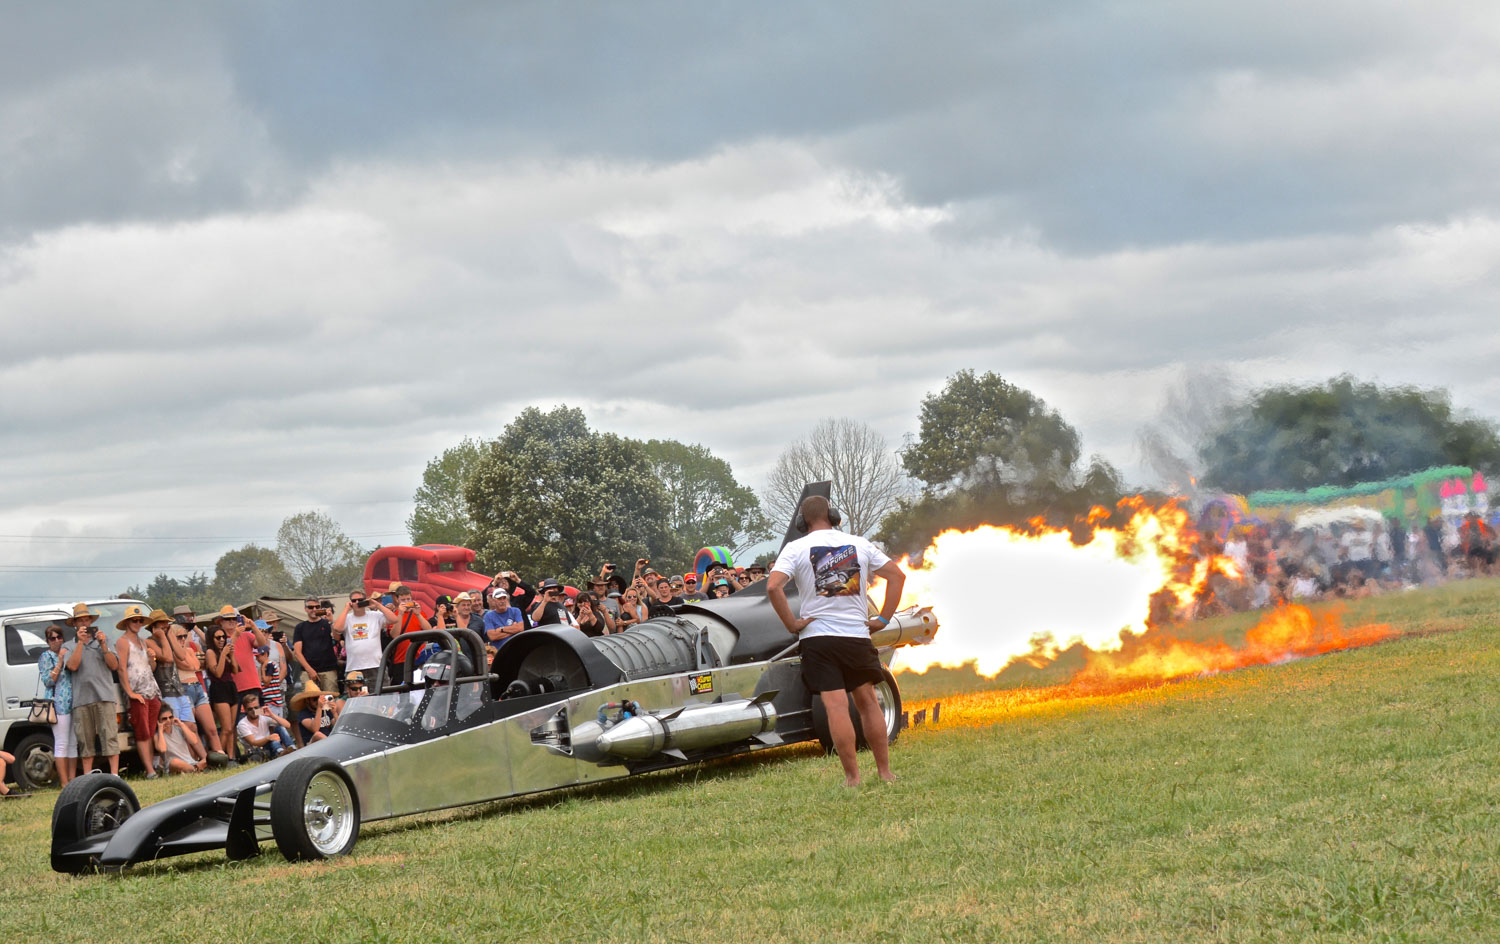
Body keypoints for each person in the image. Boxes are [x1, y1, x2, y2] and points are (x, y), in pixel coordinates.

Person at [767, 495, 905, 787]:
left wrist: (792, 624)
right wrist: (882, 619)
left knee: (836, 706)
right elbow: (897, 576)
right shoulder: (859, 544)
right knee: (868, 702)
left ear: (802, 522)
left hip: (818, 638)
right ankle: (884, 772)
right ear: (833, 515)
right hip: (856, 635)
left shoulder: (796, 547)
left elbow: (773, 586)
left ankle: (852, 778)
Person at [64, 603, 121, 776]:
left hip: (104, 695)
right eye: (80, 620)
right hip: (81, 699)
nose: (84, 623)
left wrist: (103, 645)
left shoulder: (105, 639)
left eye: (86, 619)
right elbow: (72, 666)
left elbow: (114, 665)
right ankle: (88, 777)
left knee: (109, 737)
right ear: (74, 623)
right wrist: (80, 643)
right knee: (85, 742)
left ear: (91, 621)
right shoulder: (69, 645)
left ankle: (115, 775)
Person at [115, 604, 163, 778]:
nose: (137, 623)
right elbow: (121, 668)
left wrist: (151, 658)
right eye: (134, 620)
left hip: (151, 690)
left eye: (140, 620)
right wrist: (130, 693)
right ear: (127, 622)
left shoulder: (142, 641)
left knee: (149, 732)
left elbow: (152, 667)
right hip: (138, 693)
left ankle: (151, 768)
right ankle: (149, 770)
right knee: (142, 733)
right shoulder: (122, 642)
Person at [37, 624, 76, 786]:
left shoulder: (68, 652)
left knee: (73, 743)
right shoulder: (46, 656)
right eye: (52, 638)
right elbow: (48, 681)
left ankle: (73, 780)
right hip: (58, 705)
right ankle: (64, 782)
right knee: (61, 743)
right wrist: (59, 661)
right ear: (47, 641)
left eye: (59, 637)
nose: (56, 641)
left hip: (73, 702)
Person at [334, 591, 397, 685]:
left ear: (365, 600)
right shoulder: (347, 618)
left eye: (360, 600)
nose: (357, 602)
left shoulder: (375, 615)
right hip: (354, 667)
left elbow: (394, 619)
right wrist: (347, 609)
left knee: (383, 695)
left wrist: (377, 605)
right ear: (350, 602)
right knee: (356, 698)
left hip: (376, 665)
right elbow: (337, 628)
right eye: (354, 600)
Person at [292, 596, 340, 696]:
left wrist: (331, 621)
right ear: (305, 609)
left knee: (331, 700)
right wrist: (310, 670)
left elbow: (337, 638)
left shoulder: (327, 624)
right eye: (311, 607)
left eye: (317, 607)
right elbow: (297, 652)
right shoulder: (300, 627)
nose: (314, 609)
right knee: (309, 700)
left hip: (328, 670)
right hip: (307, 671)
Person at [236, 693, 295, 759]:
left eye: (256, 708)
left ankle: (292, 747)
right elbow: (253, 742)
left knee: (280, 728)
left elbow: (287, 725)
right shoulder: (243, 724)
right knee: (273, 740)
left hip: (270, 744)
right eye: (250, 709)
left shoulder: (263, 716)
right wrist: (268, 738)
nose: (253, 711)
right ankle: (280, 752)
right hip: (257, 751)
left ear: (259, 707)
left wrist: (272, 715)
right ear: (245, 710)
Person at [152, 705, 208, 774]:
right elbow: (162, 749)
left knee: (214, 755)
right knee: (174, 762)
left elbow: (194, 741)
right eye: (164, 719)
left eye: (170, 717)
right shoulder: (157, 735)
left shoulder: (179, 728)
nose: (168, 720)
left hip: (190, 762)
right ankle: (197, 769)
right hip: (173, 766)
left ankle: (195, 768)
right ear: (158, 721)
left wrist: (181, 724)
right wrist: (160, 730)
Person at [387, 584, 433, 667]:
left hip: (420, 658)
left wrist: (418, 614)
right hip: (401, 659)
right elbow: (394, 635)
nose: (406, 602)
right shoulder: (393, 615)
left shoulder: (419, 613)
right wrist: (400, 614)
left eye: (408, 599)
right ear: (397, 600)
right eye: (403, 600)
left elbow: (429, 630)